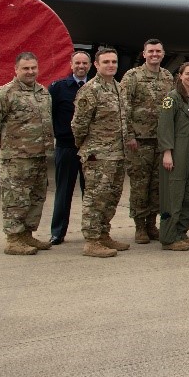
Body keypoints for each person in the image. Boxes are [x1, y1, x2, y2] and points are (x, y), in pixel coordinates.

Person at [0, 52, 54, 255]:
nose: (30, 72)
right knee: (16, 198)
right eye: (25, 68)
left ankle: (27, 235)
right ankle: (13, 239)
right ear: (16, 69)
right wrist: (7, 144)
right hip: (16, 158)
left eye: (33, 68)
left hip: (39, 156)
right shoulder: (5, 93)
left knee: (36, 197)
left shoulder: (43, 92)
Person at [71, 46, 131, 257]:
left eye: (114, 62)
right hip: (98, 155)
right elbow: (78, 125)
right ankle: (92, 241)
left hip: (117, 154)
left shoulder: (118, 87)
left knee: (111, 197)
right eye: (106, 62)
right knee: (95, 198)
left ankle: (103, 234)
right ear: (96, 65)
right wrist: (88, 147)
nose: (111, 65)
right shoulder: (90, 90)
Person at [120, 39, 174, 243]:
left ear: (163, 54)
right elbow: (124, 108)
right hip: (140, 141)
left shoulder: (168, 77)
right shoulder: (133, 76)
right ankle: (140, 226)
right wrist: (130, 136)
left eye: (158, 51)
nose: (154, 54)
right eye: (151, 51)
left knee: (157, 185)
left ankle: (152, 223)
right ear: (144, 54)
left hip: (160, 140)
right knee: (140, 185)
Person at [157, 62, 189, 251]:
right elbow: (165, 125)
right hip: (177, 150)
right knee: (174, 194)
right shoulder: (172, 98)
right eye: (188, 74)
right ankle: (168, 238)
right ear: (180, 75)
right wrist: (167, 152)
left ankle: (181, 232)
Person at [47, 50, 91, 244]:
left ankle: (92, 232)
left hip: (90, 149)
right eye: (78, 63)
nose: (81, 66)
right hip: (67, 146)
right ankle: (58, 232)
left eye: (85, 63)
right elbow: (48, 115)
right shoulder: (58, 88)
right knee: (64, 191)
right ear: (71, 65)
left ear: (90, 66)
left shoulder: (95, 87)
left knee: (90, 193)